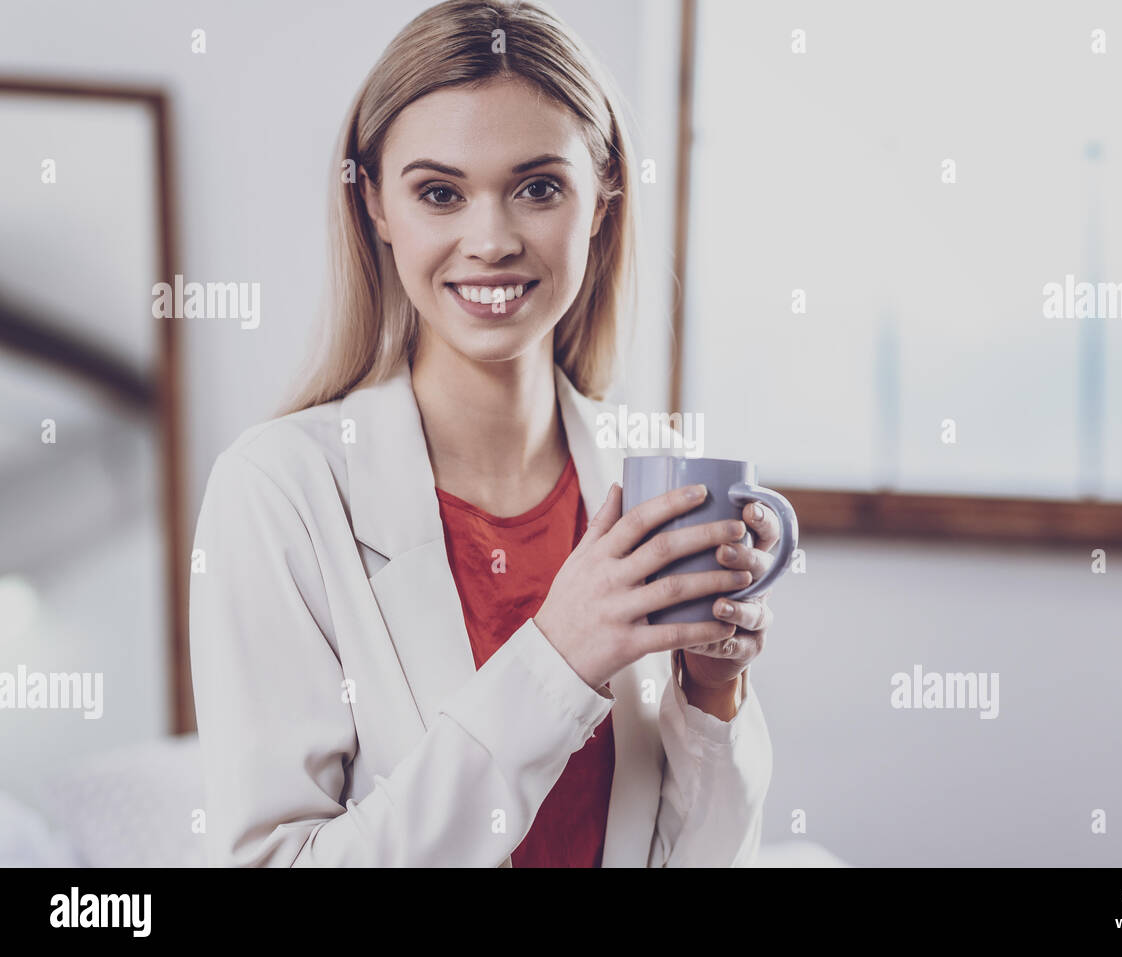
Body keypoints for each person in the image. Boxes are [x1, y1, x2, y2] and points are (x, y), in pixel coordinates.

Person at [189, 0, 780, 867]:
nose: (492, 240)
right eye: (440, 193)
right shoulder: (277, 491)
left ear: (602, 197)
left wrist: (713, 695)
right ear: (375, 204)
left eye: (538, 188)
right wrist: (557, 661)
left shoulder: (643, 476)